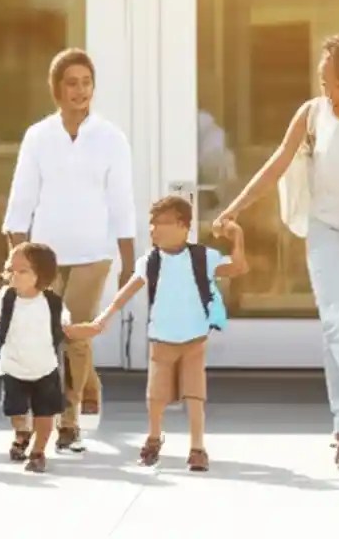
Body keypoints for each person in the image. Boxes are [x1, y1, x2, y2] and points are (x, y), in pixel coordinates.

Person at [212, 33, 339, 470]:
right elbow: (277, 163)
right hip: (327, 229)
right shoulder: (313, 114)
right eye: (322, 81)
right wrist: (236, 207)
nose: (326, 90)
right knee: (336, 321)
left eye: (333, 82)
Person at [2, 48, 136, 452]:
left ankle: (70, 421)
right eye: (72, 83)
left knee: (76, 336)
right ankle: (80, 392)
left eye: (86, 82)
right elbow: (21, 197)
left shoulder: (111, 138)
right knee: (48, 336)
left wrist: (130, 260)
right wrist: (16, 252)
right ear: (56, 88)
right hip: (46, 254)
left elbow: (121, 201)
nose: (80, 90)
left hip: (94, 253)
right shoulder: (38, 136)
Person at [91, 195, 247, 471]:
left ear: (184, 226)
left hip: (194, 339)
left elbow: (238, 268)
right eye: (152, 223)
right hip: (161, 339)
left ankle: (197, 447)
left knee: (195, 394)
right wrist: (105, 317)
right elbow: (126, 293)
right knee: (156, 395)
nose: (155, 229)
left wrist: (237, 237)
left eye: (163, 223)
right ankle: (153, 438)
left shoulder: (202, 257)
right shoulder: (149, 262)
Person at [0, 242, 97, 473]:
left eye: (22, 271)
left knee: (45, 413)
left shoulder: (53, 303)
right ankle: (22, 432)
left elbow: (67, 330)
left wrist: (91, 329)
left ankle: (38, 452)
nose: (14, 275)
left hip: (45, 368)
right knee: (15, 410)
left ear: (41, 275)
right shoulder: (5, 298)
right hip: (12, 366)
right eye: (10, 270)